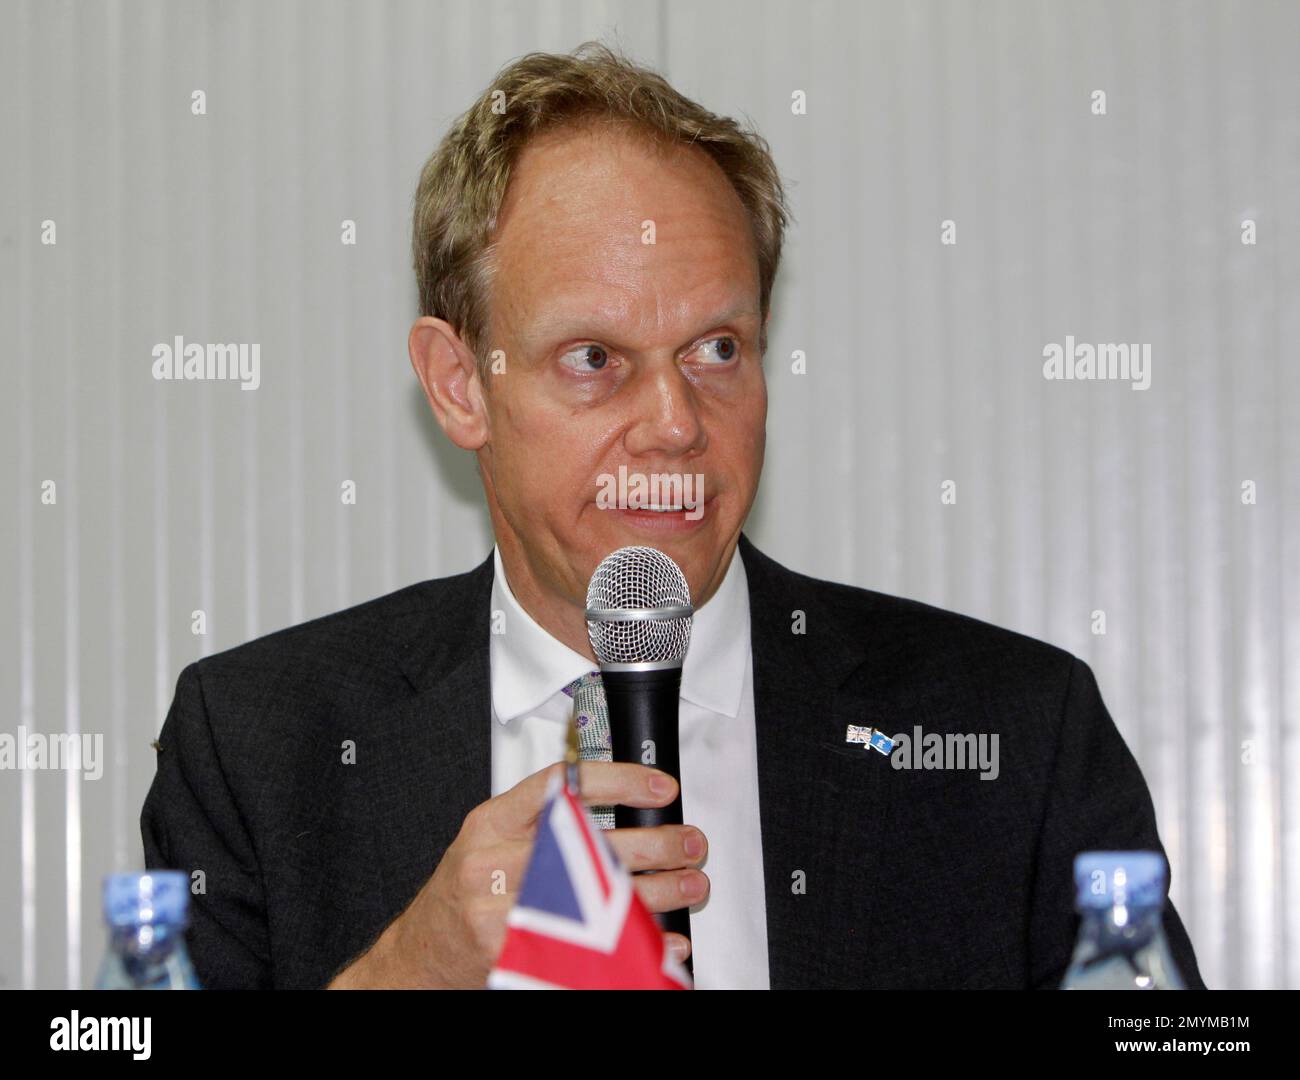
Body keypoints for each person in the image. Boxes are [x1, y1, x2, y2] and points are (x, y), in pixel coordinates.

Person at [141, 41, 1206, 990]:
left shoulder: (1013, 733)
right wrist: (412, 971)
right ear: (460, 382)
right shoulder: (261, 746)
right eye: (596, 359)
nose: (673, 423)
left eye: (716, 350)